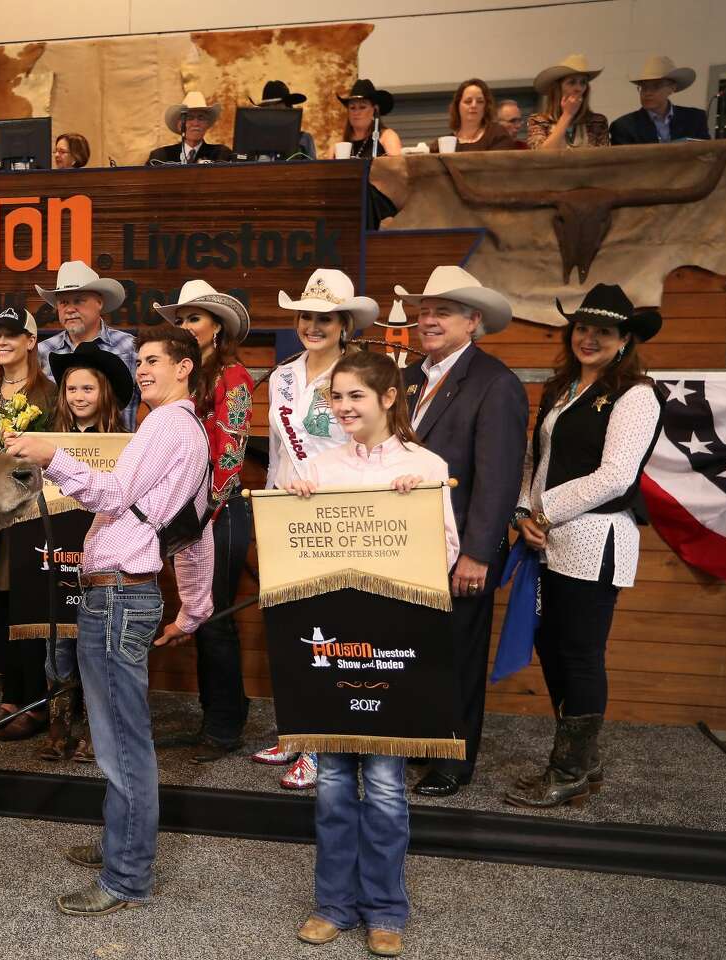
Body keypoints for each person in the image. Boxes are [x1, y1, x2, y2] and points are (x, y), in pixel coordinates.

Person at [4, 324, 214, 917]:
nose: (143, 369)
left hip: (120, 596)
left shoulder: (168, 425)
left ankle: (126, 876)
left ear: (184, 368)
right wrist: (193, 608)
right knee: (118, 735)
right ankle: (121, 847)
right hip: (124, 595)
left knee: (122, 740)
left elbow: (113, 491)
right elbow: (197, 530)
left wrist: (53, 456)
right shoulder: (182, 430)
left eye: (154, 361)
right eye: (140, 361)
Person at [291, 350, 458, 960]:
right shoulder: (319, 466)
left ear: (389, 398)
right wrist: (294, 499)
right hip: (331, 641)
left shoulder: (428, 466)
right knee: (334, 779)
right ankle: (333, 904)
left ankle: (386, 909)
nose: (343, 408)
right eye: (336, 397)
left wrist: (416, 509)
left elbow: (443, 556)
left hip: (393, 642)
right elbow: (293, 548)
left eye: (355, 396)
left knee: (385, 784)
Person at [506, 284, 663, 810]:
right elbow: (537, 461)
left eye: (603, 330)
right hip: (548, 537)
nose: (589, 337)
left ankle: (569, 768)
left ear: (624, 341)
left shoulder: (636, 395)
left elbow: (616, 476)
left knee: (579, 653)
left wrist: (545, 510)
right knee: (551, 646)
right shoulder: (561, 389)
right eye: (582, 327)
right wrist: (524, 512)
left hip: (596, 538)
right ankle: (584, 759)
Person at [397, 265, 529, 798]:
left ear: (473, 321)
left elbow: (497, 479)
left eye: (442, 312)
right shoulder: (407, 378)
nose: (428, 319)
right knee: (418, 649)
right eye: (424, 310)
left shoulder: (495, 383)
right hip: (408, 545)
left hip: (460, 549)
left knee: (457, 653)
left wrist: (477, 554)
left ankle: (454, 760)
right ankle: (425, 743)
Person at [250, 269, 377, 788]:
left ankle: (326, 745)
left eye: (323, 317)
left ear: (344, 323)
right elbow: (280, 448)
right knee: (289, 626)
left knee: (331, 632)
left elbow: (372, 447)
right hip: (286, 512)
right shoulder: (283, 375)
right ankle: (298, 729)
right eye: (306, 316)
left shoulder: (360, 375)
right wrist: (270, 511)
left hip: (336, 516)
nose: (312, 325)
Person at [153, 280, 257, 764]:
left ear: (218, 327)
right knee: (201, 613)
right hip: (193, 511)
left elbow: (231, 453)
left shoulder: (232, 375)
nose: (186, 327)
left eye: (194, 318)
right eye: (181, 320)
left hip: (219, 509)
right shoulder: (191, 378)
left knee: (213, 619)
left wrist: (201, 513)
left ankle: (224, 725)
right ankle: (216, 716)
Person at [39, 342, 134, 765]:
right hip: (54, 553)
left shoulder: (126, 446)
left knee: (98, 651)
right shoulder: (46, 445)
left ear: (105, 395)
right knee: (57, 644)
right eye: (72, 389)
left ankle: (97, 734)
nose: (78, 396)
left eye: (88, 389)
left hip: (101, 555)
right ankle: (57, 728)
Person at [0, 306, 56, 743]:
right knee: (4, 603)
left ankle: (38, 700)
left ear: (31, 341)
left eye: (11, 334)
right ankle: (11, 694)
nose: (2, 342)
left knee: (34, 603)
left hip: (35, 510)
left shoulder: (49, 393)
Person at [36, 260, 138, 428]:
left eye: (78, 301)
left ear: (99, 302)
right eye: (63, 302)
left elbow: (157, 404)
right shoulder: (42, 351)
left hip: (122, 451)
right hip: (58, 449)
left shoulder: (131, 347)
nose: (69, 309)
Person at [609, 55, 711, 145]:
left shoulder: (695, 119)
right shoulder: (623, 126)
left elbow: (707, 155)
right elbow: (625, 164)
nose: (647, 93)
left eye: (655, 86)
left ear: (672, 88)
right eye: (643, 87)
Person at [528, 54, 610, 150]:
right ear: (558, 88)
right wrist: (567, 115)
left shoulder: (598, 121)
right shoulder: (538, 121)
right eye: (571, 82)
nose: (578, 88)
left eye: (583, 83)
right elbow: (542, 156)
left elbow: (603, 158)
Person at [430, 78, 525, 152]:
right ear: (457, 106)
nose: (474, 105)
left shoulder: (498, 135)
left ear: (486, 106)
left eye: (480, 101)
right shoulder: (443, 144)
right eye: (468, 101)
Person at [148, 91, 234, 164]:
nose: (195, 123)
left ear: (207, 124)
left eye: (201, 118)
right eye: (190, 118)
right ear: (180, 125)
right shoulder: (161, 157)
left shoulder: (221, 154)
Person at [329, 80, 402, 158]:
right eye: (352, 108)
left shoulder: (387, 136)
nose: (356, 112)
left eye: (362, 107)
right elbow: (328, 169)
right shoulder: (339, 143)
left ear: (375, 110)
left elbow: (398, 167)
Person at [254, 80, 317, 159]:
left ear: (288, 109)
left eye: (277, 108)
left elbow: (312, 169)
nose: (272, 113)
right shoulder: (254, 141)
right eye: (268, 108)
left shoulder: (304, 140)